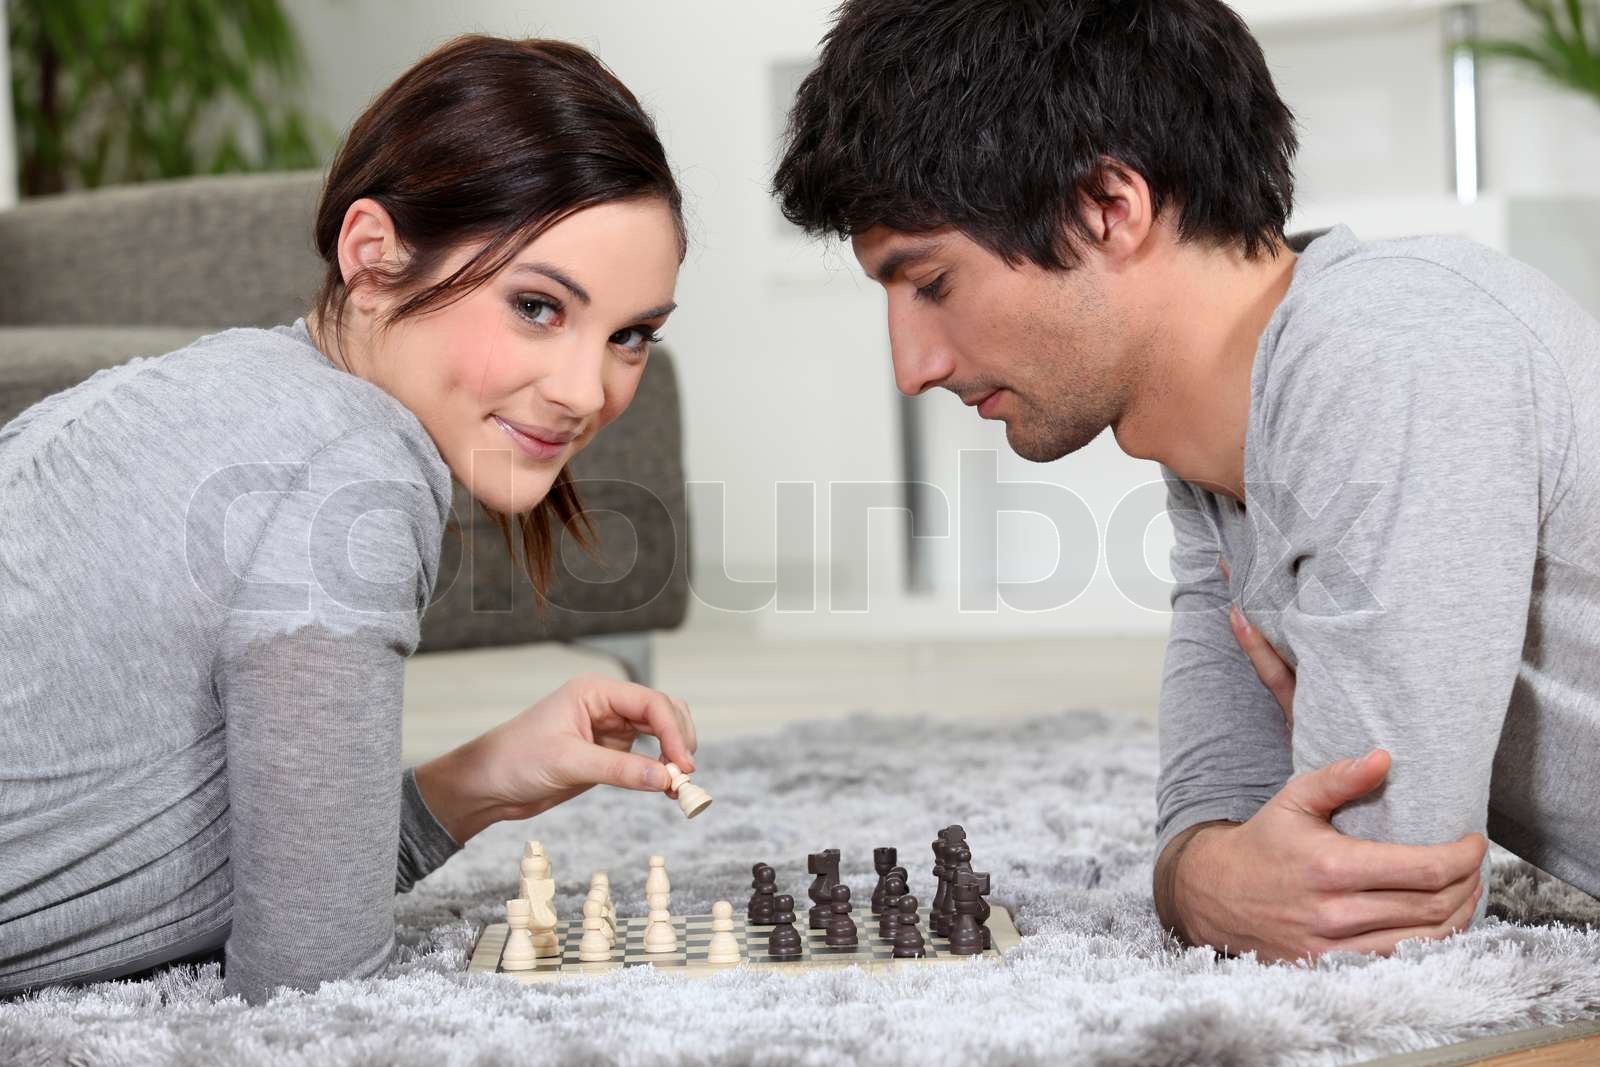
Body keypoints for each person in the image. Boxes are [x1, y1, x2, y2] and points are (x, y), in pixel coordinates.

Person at [773, 0, 1600, 962]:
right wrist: (1200, 879)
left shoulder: (1387, 352)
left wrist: (1236, 871)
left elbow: (1381, 895)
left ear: (1107, 208)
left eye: (933, 283)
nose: (910, 365)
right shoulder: (1221, 455)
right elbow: (1217, 819)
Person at [0, 36, 698, 1003]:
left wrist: (483, 778)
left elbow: (278, 886)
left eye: (630, 335)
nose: (588, 390)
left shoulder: (225, 387)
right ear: (372, 256)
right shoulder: (353, 470)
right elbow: (307, 985)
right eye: (538, 306)